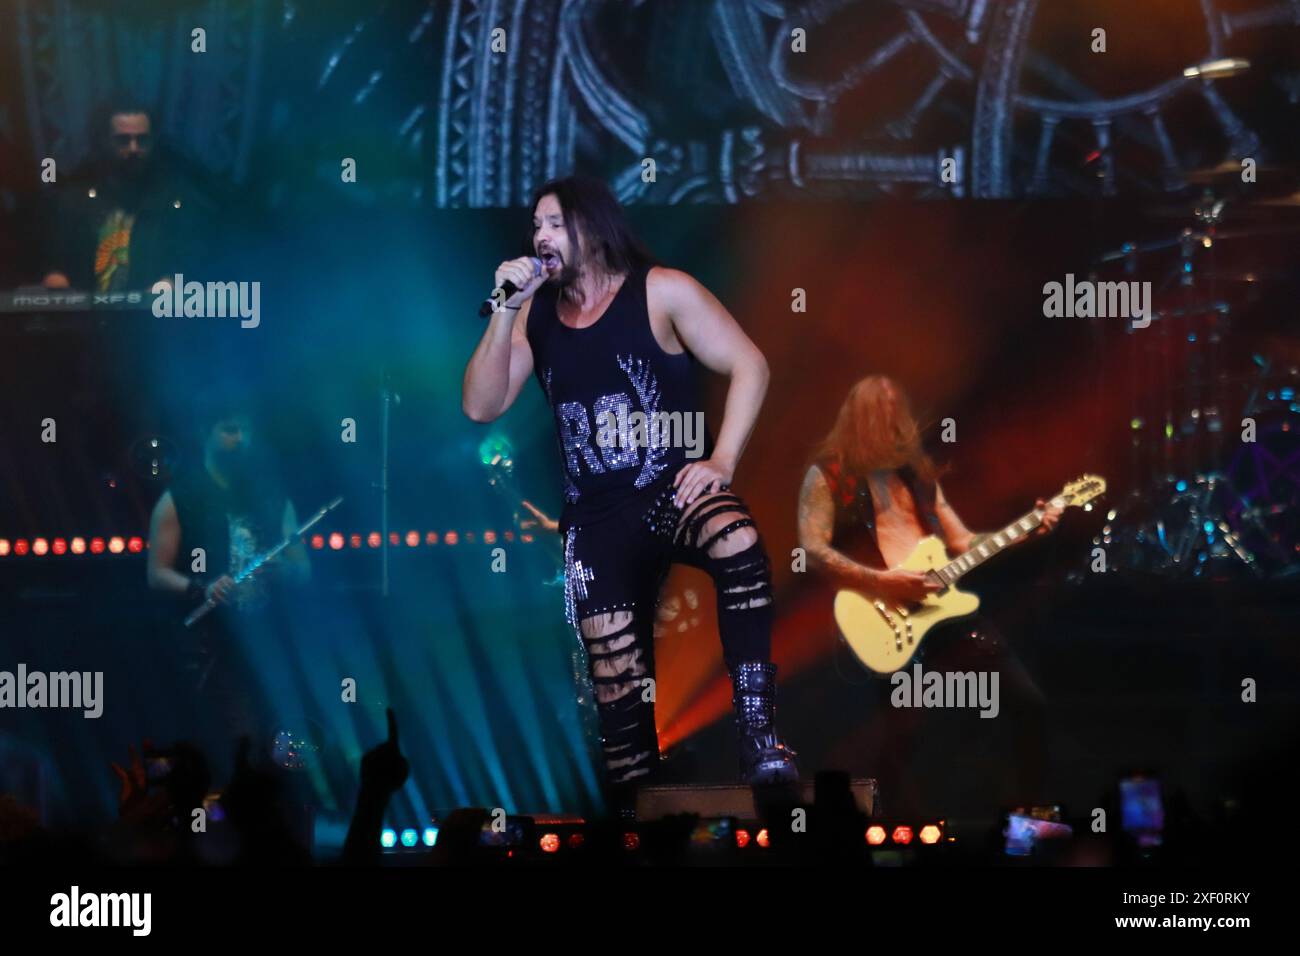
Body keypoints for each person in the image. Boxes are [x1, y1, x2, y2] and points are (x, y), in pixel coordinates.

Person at [462, 174, 797, 816]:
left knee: (738, 540)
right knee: (622, 716)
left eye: (554, 223)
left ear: (590, 226)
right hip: (594, 522)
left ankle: (758, 736)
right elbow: (481, 406)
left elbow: (749, 363)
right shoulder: (536, 317)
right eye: (535, 226)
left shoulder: (661, 290)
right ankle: (639, 810)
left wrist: (721, 459)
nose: (540, 236)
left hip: (669, 492)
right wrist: (505, 308)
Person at [796, 375, 1060, 810]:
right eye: (877, 412)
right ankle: (899, 833)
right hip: (884, 615)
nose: (890, 421)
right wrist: (884, 581)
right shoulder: (830, 475)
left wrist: (1025, 531)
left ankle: (1026, 819)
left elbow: (963, 543)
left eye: (895, 411)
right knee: (904, 738)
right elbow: (813, 550)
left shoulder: (918, 476)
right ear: (856, 418)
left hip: (946, 613)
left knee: (1027, 702)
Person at [146, 394, 309, 782]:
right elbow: (157, 573)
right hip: (215, 648)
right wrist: (201, 587)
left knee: (280, 742)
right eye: (231, 430)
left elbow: (304, 570)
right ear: (207, 433)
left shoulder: (272, 497)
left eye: (246, 429)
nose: (242, 439)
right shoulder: (180, 498)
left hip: (275, 643)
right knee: (236, 741)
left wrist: (283, 570)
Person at [39, 99, 210, 291]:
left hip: (153, 316)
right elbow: (55, 263)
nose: (134, 148)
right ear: (103, 142)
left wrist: (170, 283)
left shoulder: (175, 202)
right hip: (84, 317)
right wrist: (56, 280)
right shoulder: (74, 202)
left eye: (142, 140)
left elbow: (192, 261)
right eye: (123, 140)